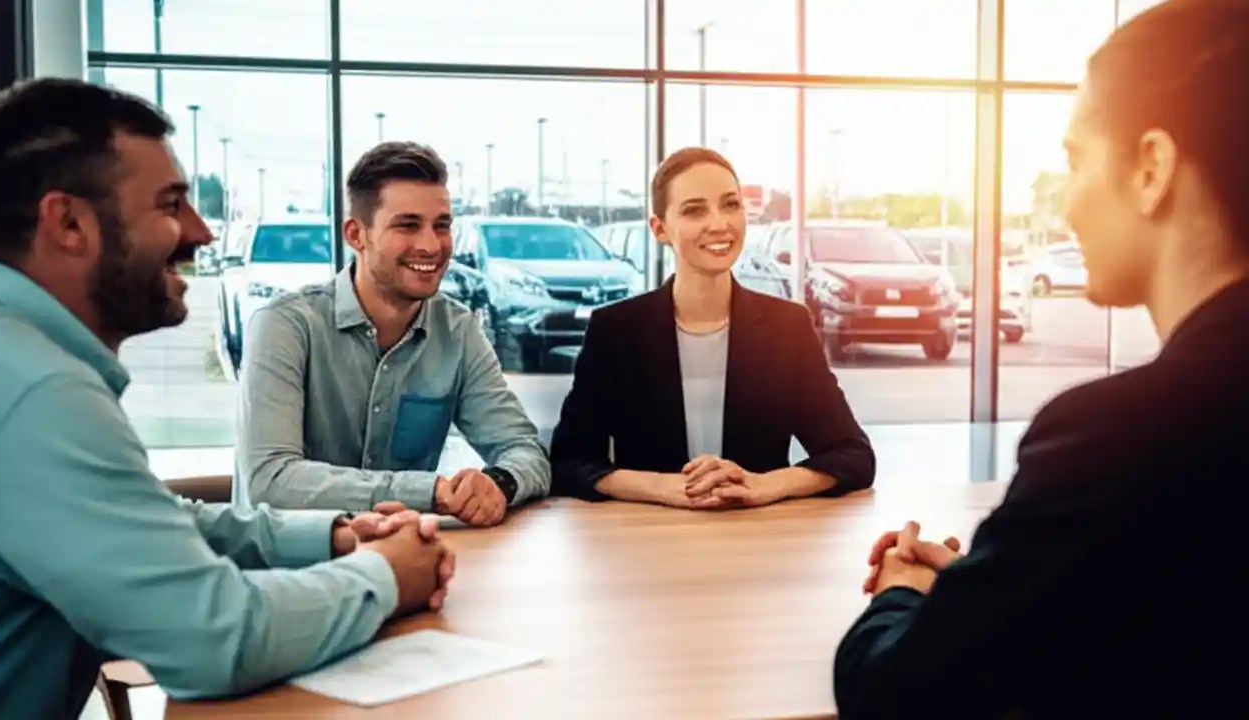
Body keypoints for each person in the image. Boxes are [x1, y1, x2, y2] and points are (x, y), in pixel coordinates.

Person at [0, 79, 454, 719]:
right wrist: (388, 577)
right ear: (68, 223)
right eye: (171, 204)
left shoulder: (3, 355)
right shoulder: (38, 396)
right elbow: (217, 640)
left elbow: (138, 521)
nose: (200, 231)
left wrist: (333, 534)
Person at [835, 3, 1249, 717]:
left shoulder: (1119, 435)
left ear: (1151, 168)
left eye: (1076, 162)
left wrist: (901, 591)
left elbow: (893, 696)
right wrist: (999, 587)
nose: (1066, 210)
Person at [235, 141, 550, 526]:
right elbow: (270, 480)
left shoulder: (458, 330)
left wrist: (497, 484)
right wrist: (428, 492)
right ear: (356, 235)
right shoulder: (286, 325)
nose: (431, 245)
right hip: (285, 570)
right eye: (407, 225)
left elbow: (524, 451)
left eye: (442, 226)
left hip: (403, 563)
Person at [550, 147, 875, 508]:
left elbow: (853, 455)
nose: (719, 224)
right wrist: (660, 487)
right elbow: (568, 461)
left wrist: (767, 485)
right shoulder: (615, 330)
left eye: (730, 205)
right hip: (648, 538)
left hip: (759, 536)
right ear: (659, 228)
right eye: (694, 210)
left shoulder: (787, 328)